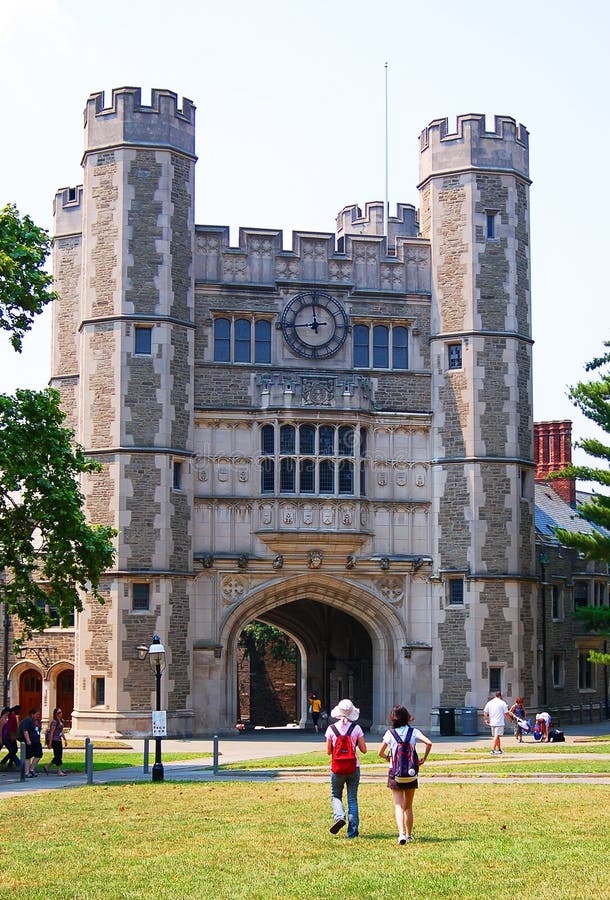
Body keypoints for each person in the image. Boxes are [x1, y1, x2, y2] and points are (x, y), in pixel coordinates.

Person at [378, 705, 432, 844]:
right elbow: (429, 743)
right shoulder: (413, 732)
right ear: (408, 717)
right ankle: (409, 834)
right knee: (408, 806)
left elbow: (380, 752)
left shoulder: (390, 734)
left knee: (398, 805)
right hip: (411, 771)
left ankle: (401, 834)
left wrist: (387, 758)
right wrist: (423, 759)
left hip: (395, 771)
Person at [325, 699, 367, 838]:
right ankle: (352, 831)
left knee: (336, 795)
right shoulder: (356, 729)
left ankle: (339, 817)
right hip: (353, 767)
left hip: (337, 768)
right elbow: (364, 749)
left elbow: (329, 752)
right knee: (352, 799)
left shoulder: (331, 729)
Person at [20, 706, 43, 778]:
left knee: (39, 754)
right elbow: (25, 731)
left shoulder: (37, 721)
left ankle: (32, 769)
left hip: (36, 741)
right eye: (37, 714)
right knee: (28, 756)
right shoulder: (27, 720)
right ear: (32, 714)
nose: (38, 716)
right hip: (30, 741)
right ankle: (26, 772)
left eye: (39, 714)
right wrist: (28, 740)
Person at [44, 708, 68, 776]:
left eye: (61, 712)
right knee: (58, 756)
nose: (61, 714)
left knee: (58, 755)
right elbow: (52, 733)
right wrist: (50, 743)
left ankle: (47, 766)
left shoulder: (61, 721)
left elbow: (61, 731)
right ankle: (59, 771)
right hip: (54, 740)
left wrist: (65, 739)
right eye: (59, 712)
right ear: (56, 714)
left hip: (59, 740)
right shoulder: (54, 722)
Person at [0, 704, 21, 770]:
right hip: (5, 737)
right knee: (13, 750)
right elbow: (2, 729)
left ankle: (8, 763)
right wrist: (2, 738)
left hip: (6, 736)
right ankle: (10, 763)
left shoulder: (8, 718)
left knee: (13, 750)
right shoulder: (4, 719)